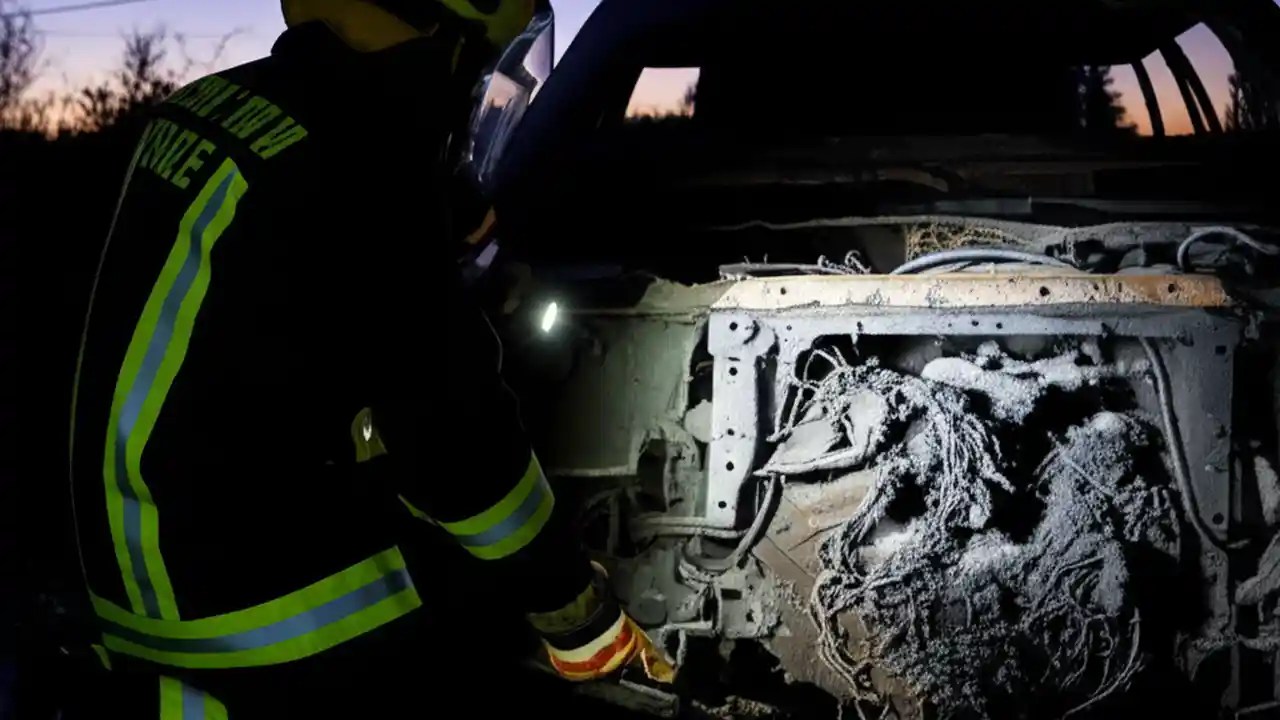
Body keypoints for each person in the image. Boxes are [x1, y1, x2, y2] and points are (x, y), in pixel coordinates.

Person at [67, 1, 670, 716]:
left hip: (127, 590)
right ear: (445, 42)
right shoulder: (369, 167)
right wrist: (575, 611)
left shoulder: (209, 107)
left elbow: (280, 270)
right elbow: (457, 442)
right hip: (258, 621)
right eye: (487, 65)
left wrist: (437, 213)